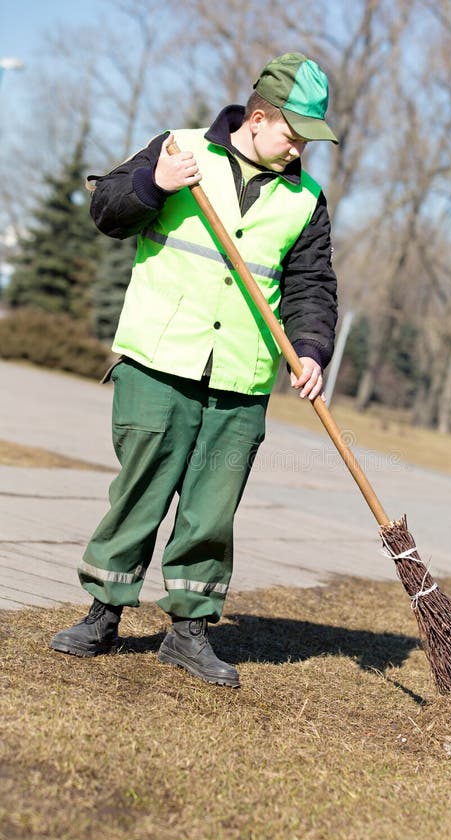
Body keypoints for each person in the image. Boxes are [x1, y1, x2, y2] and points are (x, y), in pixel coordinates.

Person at [50, 52, 338, 687]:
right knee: (141, 490)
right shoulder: (177, 150)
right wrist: (157, 183)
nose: (297, 152)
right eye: (292, 136)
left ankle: (189, 630)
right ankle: (103, 611)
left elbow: (312, 286)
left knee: (212, 507)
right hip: (159, 358)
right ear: (258, 119)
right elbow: (108, 212)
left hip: (241, 374)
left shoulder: (306, 199)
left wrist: (312, 350)